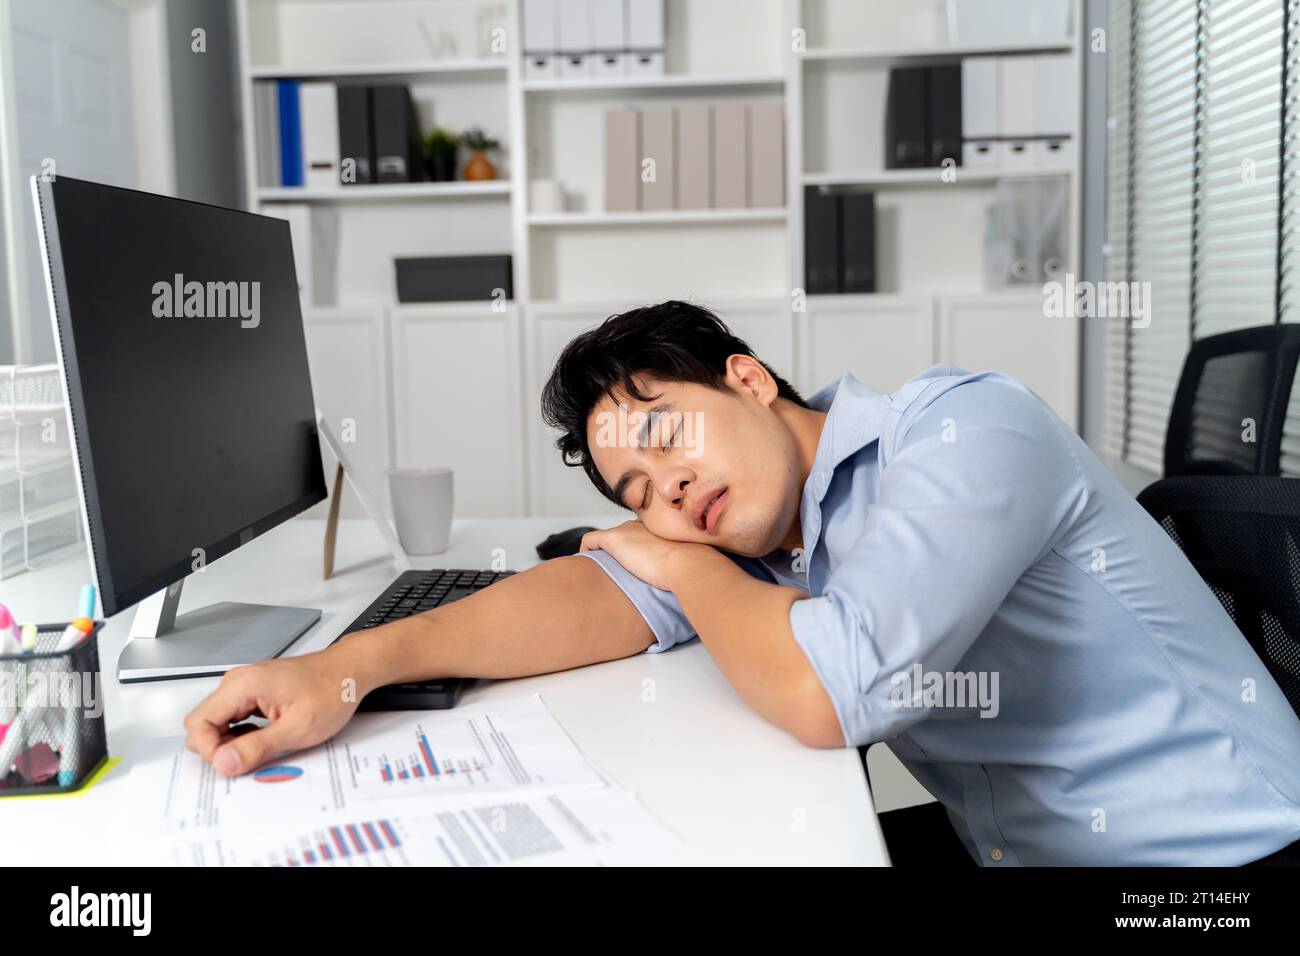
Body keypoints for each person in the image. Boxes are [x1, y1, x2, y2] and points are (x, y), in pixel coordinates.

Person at [184, 300, 1300, 866]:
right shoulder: (758, 533)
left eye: (667, 439)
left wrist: (668, 551)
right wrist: (340, 668)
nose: (664, 491)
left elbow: (829, 690)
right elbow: (598, 597)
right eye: (635, 489)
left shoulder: (963, 429)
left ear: (748, 376)